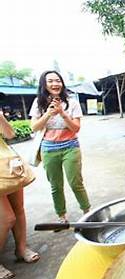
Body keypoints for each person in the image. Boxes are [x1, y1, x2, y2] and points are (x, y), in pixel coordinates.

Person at [29, 71, 91, 223]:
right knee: (56, 185)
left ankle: (87, 212)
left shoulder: (72, 102)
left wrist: (62, 113)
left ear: (62, 83)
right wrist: (48, 114)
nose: (55, 84)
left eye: (58, 81)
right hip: (48, 149)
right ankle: (61, 216)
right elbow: (34, 127)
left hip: (71, 147)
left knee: (76, 182)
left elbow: (76, 128)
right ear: (44, 84)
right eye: (50, 81)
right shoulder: (38, 103)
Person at [0, 111, 39, 279]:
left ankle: (21, 249)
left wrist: (0, 117)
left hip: (7, 165)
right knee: (7, 218)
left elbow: (10, 134)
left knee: (19, 209)